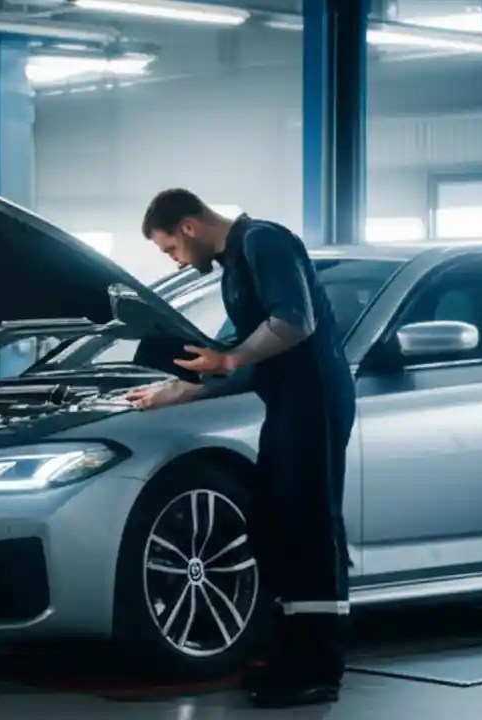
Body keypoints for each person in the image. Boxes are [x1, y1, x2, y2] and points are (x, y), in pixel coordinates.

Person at [126, 189, 356, 709]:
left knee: (310, 525)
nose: (176, 262)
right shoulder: (233, 264)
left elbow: (294, 322)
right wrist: (179, 390)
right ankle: (290, 655)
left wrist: (229, 362)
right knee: (276, 524)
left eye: (170, 251)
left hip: (314, 399)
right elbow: (237, 353)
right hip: (286, 403)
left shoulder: (264, 242)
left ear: (188, 226)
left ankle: (319, 669)